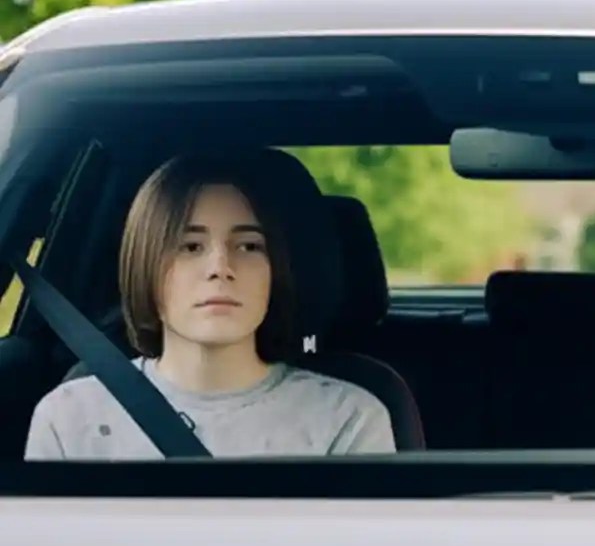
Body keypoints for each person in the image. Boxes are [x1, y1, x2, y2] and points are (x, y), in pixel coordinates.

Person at [25, 154, 395, 459]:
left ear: (278, 270)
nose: (220, 268)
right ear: (146, 267)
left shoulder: (348, 418)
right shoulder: (70, 418)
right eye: (190, 247)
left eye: (249, 246)